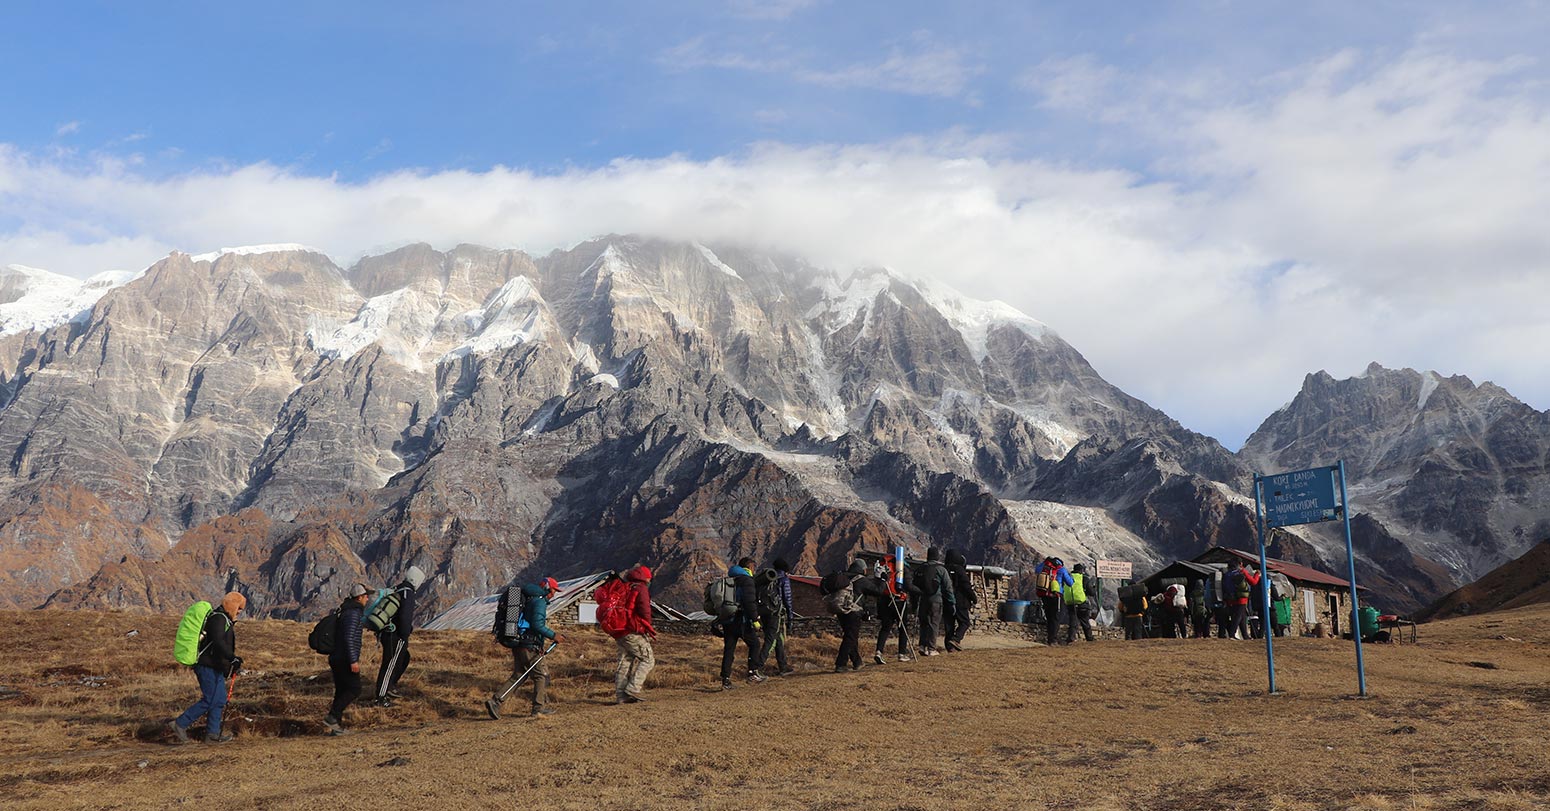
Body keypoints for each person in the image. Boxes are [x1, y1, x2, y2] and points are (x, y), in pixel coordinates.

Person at [170, 591, 245, 744]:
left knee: (219, 699)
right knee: (210, 699)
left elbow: (218, 645)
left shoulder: (223, 619)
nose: (239, 612)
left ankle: (212, 734)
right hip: (206, 666)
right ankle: (180, 724)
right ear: (232, 605)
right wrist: (232, 658)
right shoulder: (218, 619)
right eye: (239, 608)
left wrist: (228, 666)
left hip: (214, 666)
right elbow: (218, 642)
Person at [486, 577, 565, 718]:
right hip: (530, 645)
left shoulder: (528, 598)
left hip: (518, 642)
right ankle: (538, 709)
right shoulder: (539, 601)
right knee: (541, 675)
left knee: (519, 675)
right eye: (553, 590)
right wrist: (554, 635)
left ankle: (495, 701)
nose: (554, 594)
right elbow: (537, 625)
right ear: (547, 588)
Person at [374, 565, 425, 707]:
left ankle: (390, 686)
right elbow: (405, 617)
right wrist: (405, 634)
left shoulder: (399, 588)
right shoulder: (408, 593)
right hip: (396, 635)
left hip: (387, 633)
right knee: (389, 664)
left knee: (404, 658)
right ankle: (381, 697)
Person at [323, 584, 369, 735]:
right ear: (360, 597)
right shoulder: (353, 613)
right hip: (344, 658)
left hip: (337, 657)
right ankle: (332, 716)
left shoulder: (346, 610)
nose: (368, 598)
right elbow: (348, 638)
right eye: (366, 596)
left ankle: (336, 728)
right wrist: (353, 660)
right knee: (355, 689)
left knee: (341, 690)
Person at [714, 558, 766, 690]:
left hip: (727, 619)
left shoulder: (730, 579)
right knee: (755, 644)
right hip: (741, 620)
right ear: (749, 567)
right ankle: (752, 673)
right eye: (754, 566)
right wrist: (755, 620)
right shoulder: (747, 581)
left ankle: (725, 680)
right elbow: (749, 602)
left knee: (729, 650)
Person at [614, 566, 657, 704]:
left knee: (625, 661)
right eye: (649, 578)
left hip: (619, 629)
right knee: (648, 659)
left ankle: (621, 696)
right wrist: (647, 625)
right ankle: (633, 688)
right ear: (645, 577)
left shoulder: (625, 586)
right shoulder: (641, 588)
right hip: (632, 630)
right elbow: (645, 609)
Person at [872, 556, 916, 664]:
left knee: (885, 627)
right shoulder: (902, 568)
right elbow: (909, 585)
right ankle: (902, 653)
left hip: (885, 600)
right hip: (899, 600)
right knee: (903, 627)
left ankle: (879, 651)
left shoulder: (883, 565)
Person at [757, 559, 796, 677]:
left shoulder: (767, 578)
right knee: (771, 640)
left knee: (778, 638)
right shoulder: (783, 579)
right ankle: (757, 667)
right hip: (776, 613)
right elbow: (787, 599)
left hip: (764, 612)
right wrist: (790, 616)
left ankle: (783, 666)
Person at [913, 547, 955, 656]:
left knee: (924, 623)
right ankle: (931, 648)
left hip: (922, 599)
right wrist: (952, 602)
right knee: (934, 623)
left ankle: (922, 646)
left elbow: (914, 584)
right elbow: (948, 587)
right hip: (936, 599)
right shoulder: (940, 569)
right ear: (937, 556)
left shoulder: (921, 568)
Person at [825, 560, 866, 672]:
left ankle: (857, 662)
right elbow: (878, 590)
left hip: (840, 610)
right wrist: (882, 580)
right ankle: (841, 664)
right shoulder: (860, 580)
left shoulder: (843, 577)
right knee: (850, 637)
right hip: (852, 610)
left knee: (850, 636)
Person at [942, 549, 976, 652]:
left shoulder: (944, 569)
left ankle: (950, 647)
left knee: (949, 625)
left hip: (946, 601)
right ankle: (956, 639)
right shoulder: (960, 570)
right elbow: (966, 586)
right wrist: (974, 598)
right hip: (960, 602)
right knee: (965, 622)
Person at [1034, 557, 1073, 646]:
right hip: (1056, 595)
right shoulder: (1061, 569)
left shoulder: (1042, 566)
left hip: (1044, 595)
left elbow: (1036, 570)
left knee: (1049, 616)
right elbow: (1070, 583)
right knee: (1057, 617)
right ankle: (1053, 640)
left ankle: (1050, 639)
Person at [1064, 563, 1095, 643]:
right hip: (1082, 603)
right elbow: (1091, 592)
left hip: (1070, 602)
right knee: (1085, 621)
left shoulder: (1068, 577)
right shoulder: (1084, 578)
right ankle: (1089, 638)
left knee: (1073, 621)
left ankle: (1071, 638)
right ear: (1082, 571)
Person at [1230, 562, 1261, 640]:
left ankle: (1245, 635)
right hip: (1242, 598)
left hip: (1232, 597)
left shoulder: (1230, 573)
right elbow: (1253, 582)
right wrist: (1257, 574)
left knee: (1243, 616)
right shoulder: (1242, 571)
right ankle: (1232, 634)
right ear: (1240, 563)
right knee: (1238, 616)